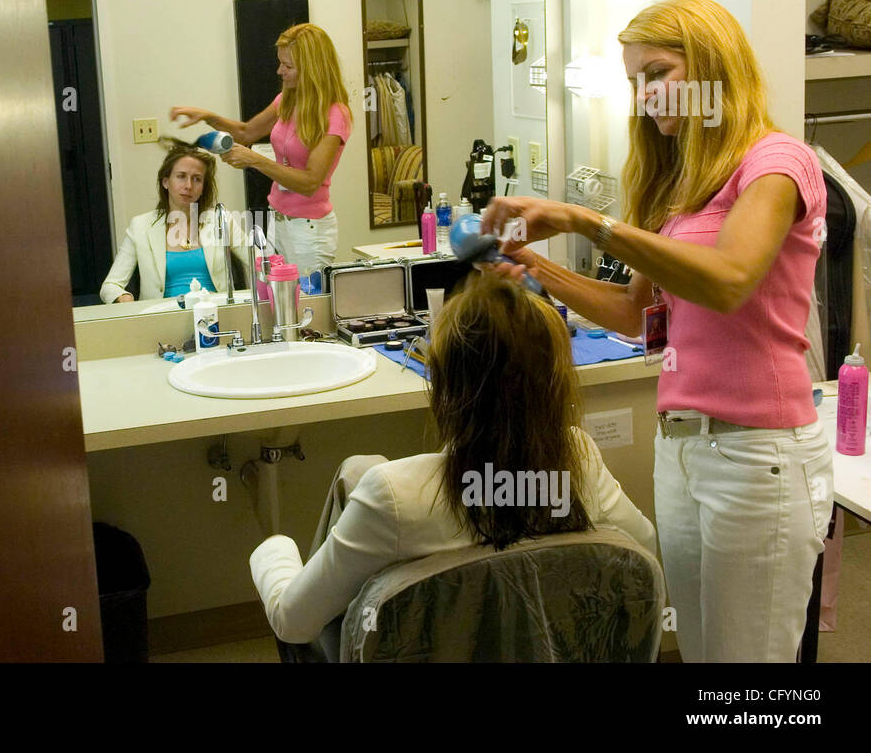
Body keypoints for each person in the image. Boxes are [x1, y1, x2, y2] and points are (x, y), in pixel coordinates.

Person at [478, 0, 833, 663]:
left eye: (657, 73)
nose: (643, 96)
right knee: (700, 655)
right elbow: (634, 313)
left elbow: (728, 280)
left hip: (758, 454)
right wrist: (534, 267)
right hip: (681, 449)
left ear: (713, 66)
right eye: (634, 82)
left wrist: (585, 221)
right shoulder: (682, 183)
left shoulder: (777, 162)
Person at [248, 272, 656, 659]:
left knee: (354, 483)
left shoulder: (393, 496)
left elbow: (293, 624)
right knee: (356, 471)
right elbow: (644, 553)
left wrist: (274, 549)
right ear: (555, 383)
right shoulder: (579, 461)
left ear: (446, 386)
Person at [170, 23, 352, 272]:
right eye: (280, 63)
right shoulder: (286, 101)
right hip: (277, 220)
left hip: (308, 232)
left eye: (288, 66)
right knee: (272, 291)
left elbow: (310, 182)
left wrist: (254, 159)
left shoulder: (335, 114)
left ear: (312, 69)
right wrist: (207, 116)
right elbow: (246, 133)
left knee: (306, 296)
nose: (279, 71)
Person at [99, 140, 240, 304]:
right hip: (163, 314)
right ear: (166, 182)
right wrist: (123, 297)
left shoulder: (221, 219)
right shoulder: (140, 226)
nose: (188, 185)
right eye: (181, 176)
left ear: (203, 188)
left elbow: (258, 260)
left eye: (197, 179)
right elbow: (110, 286)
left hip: (214, 310)